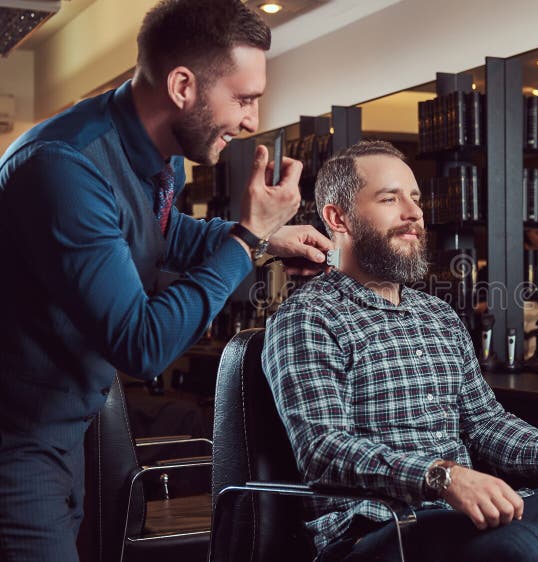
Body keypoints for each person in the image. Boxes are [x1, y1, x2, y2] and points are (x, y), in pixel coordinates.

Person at [264, 140, 538, 562]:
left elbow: (486, 425)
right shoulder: (309, 316)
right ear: (337, 218)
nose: (414, 214)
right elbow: (324, 449)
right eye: (389, 199)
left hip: (463, 516)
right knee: (521, 546)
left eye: (415, 199)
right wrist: (443, 476)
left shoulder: (435, 314)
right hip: (377, 531)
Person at [0, 1, 332, 559]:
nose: (252, 120)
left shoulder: (162, 157)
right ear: (183, 85)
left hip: (66, 427)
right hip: (16, 437)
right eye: (244, 99)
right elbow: (142, 344)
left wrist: (267, 240)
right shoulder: (62, 166)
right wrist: (247, 236)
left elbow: (163, 231)